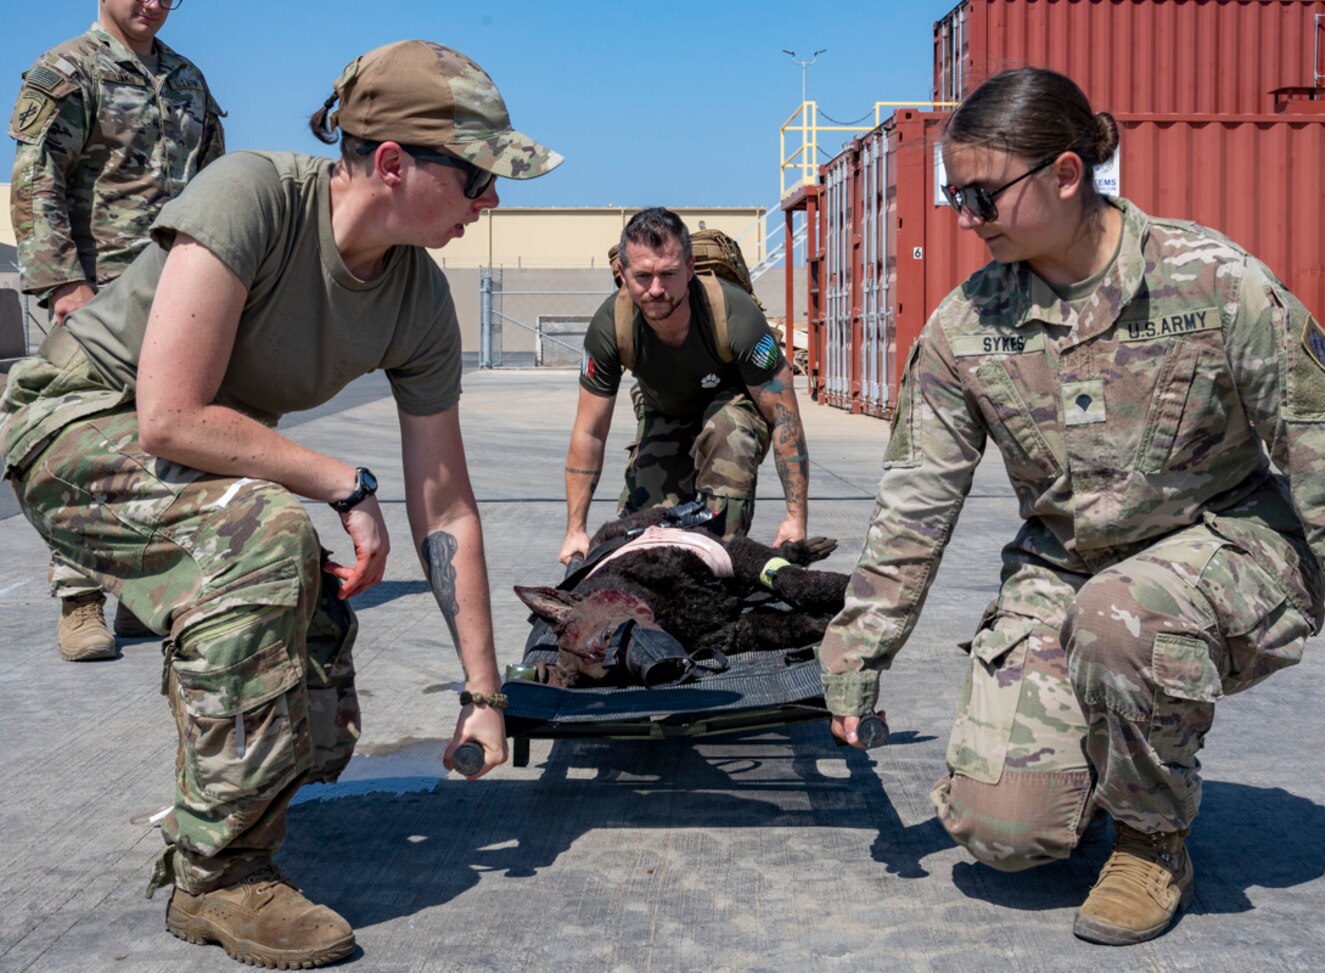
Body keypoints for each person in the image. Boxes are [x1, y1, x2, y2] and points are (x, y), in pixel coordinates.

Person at [818, 67, 1325, 946]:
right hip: (1066, 569)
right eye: (953, 193)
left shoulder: (1214, 284)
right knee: (1004, 835)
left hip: (1229, 549)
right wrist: (858, 655)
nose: (965, 217)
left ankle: (1154, 839)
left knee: (1117, 617)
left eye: (983, 194)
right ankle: (1093, 764)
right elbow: (914, 506)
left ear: (1068, 174)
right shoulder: (967, 328)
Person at [0, 39, 560, 967]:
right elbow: (170, 414)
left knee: (316, 649)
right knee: (262, 535)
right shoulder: (254, 193)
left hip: (182, 447)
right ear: (390, 164)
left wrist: (483, 694)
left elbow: (448, 504)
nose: (489, 201)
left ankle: (224, 787)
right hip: (75, 420)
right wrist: (344, 482)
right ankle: (218, 877)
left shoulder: (418, 299)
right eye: (475, 177)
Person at [9, 0, 226, 661]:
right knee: (88, 442)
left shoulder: (188, 79)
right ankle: (79, 601)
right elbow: (36, 180)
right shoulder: (67, 70)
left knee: (167, 442)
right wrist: (63, 284)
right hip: (98, 298)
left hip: (181, 296)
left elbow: (219, 187)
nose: (153, 5)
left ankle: (141, 595)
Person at [560, 207, 809, 563]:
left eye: (669, 274)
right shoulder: (610, 327)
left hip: (734, 408)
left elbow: (785, 418)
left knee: (727, 439)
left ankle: (721, 566)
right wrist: (575, 531)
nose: (656, 289)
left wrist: (795, 520)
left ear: (690, 270)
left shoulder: (734, 314)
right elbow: (590, 431)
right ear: (623, 273)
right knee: (642, 540)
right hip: (665, 410)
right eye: (643, 276)